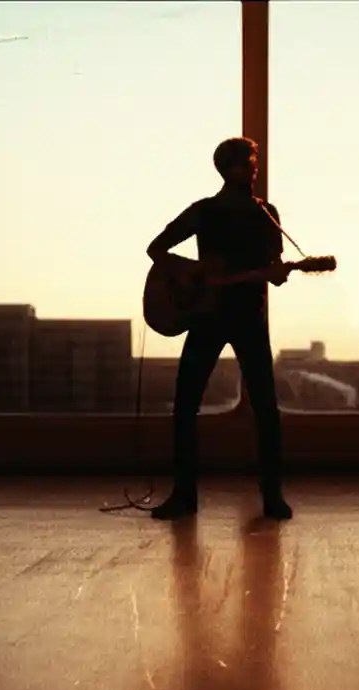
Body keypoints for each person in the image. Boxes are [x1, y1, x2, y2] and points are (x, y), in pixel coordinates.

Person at [145, 137, 293, 521]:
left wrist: (279, 272)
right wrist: (192, 272)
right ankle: (184, 494)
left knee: (265, 407)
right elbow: (156, 249)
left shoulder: (268, 213)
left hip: (249, 317)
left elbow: (273, 269)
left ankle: (272, 496)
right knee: (186, 405)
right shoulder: (204, 212)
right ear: (226, 169)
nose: (253, 169)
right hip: (208, 315)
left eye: (254, 163)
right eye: (247, 163)